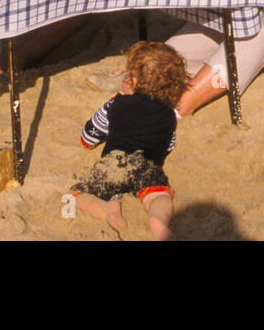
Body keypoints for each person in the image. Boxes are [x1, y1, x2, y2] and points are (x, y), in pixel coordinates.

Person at [69, 41, 190, 240]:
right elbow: (168, 144)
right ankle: (157, 220)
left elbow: (91, 134)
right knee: (159, 196)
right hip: (147, 165)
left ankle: (107, 209)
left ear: (132, 81)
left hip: (113, 165)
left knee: (75, 195)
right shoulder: (169, 115)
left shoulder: (115, 104)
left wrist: (85, 141)